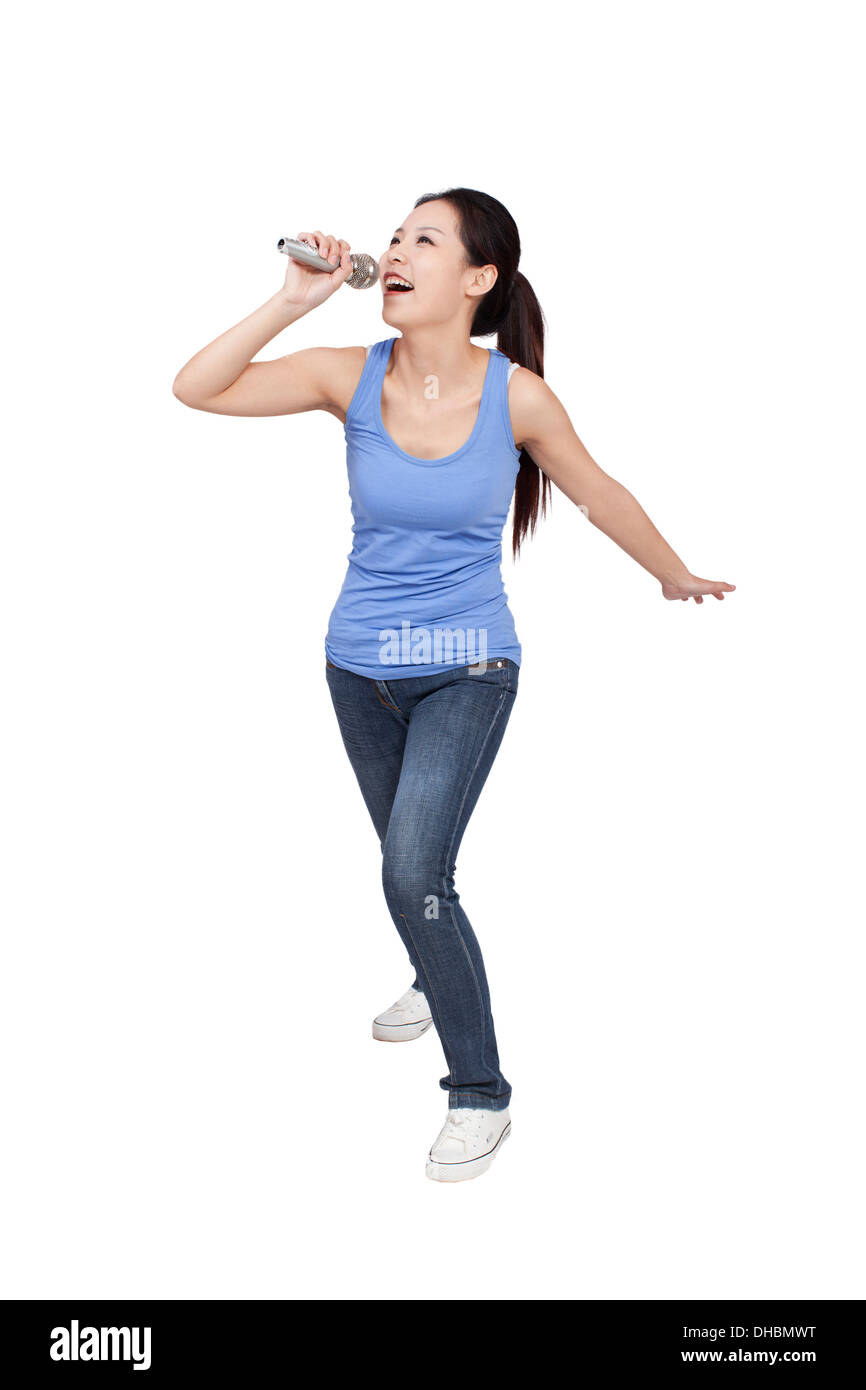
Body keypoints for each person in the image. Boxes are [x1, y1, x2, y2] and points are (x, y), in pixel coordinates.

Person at [172, 186, 735, 1183]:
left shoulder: (517, 396)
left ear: (478, 278)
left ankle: (480, 1092)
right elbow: (197, 388)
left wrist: (670, 571)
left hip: (469, 666)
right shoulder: (347, 374)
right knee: (417, 869)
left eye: (423, 240)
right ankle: (436, 973)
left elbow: (597, 491)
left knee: (409, 875)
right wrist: (291, 300)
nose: (395, 251)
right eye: (394, 237)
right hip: (357, 668)